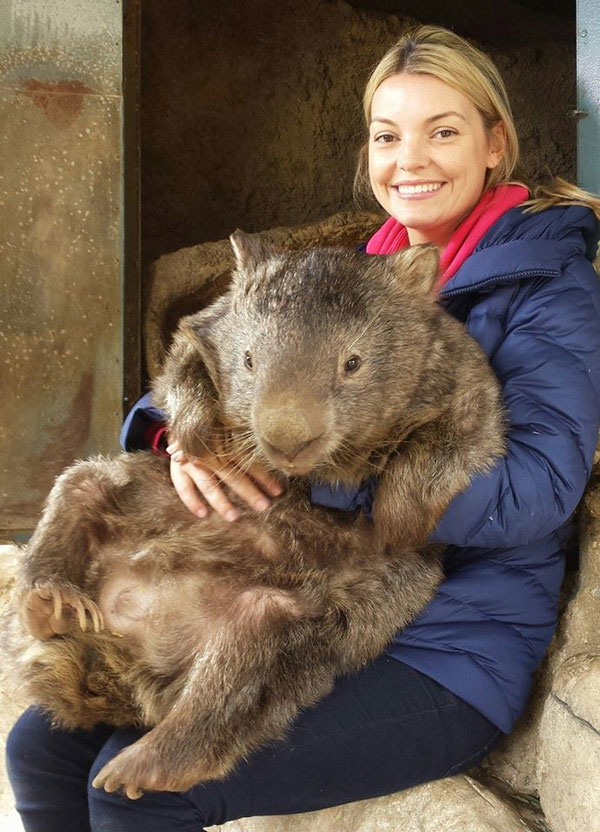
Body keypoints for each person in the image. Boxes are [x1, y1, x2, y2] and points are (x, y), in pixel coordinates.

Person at [7, 24, 600, 832]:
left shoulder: (548, 287)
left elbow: (540, 489)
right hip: (280, 579)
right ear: (367, 151)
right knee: (37, 749)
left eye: (444, 132)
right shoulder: (350, 268)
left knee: (135, 794)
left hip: (446, 652)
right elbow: (209, 353)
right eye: (389, 136)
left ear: (496, 143)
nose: (412, 160)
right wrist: (181, 440)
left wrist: (328, 474)